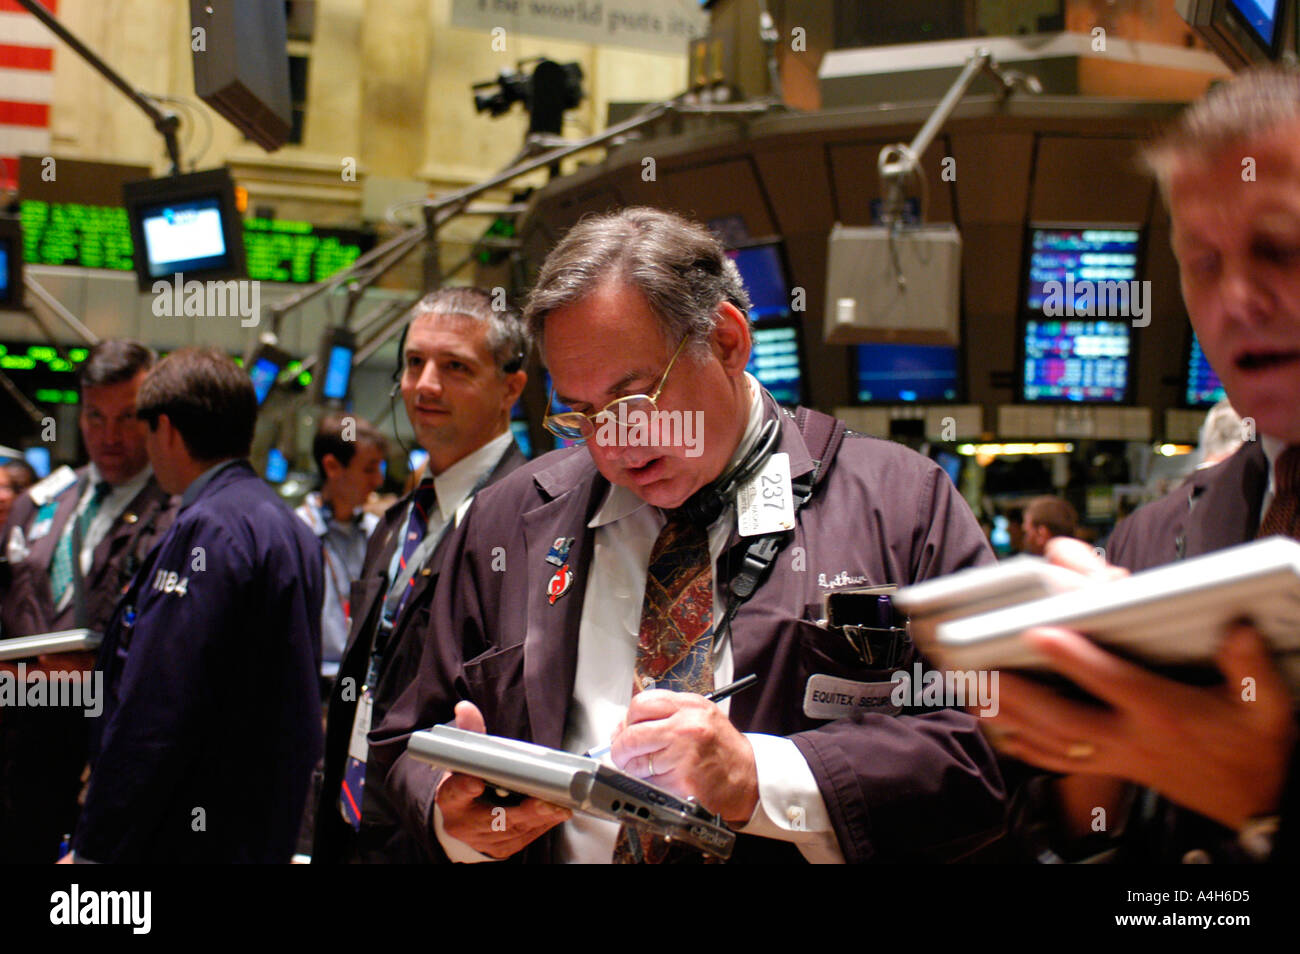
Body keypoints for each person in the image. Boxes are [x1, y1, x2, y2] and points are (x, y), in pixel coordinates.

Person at [371, 207, 1005, 864]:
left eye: (633, 401)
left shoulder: (901, 503)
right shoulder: (507, 519)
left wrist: (761, 777)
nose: (611, 446)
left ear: (727, 342)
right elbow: (403, 741)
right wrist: (451, 814)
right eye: (583, 414)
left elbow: (992, 749)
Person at [990, 67, 1300, 863]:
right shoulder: (1148, 544)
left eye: (1280, 248)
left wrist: (1270, 797)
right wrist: (1091, 753)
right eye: (1203, 260)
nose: (1237, 298)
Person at [69, 347, 323, 863]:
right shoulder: (288, 525)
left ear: (165, 429)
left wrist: (95, 847)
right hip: (258, 830)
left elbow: (157, 706)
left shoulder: (207, 528)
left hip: (183, 837)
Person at [312, 287, 529, 863]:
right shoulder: (396, 521)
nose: (425, 385)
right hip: (355, 826)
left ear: (511, 388)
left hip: (442, 841)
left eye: (455, 366)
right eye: (414, 363)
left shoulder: (532, 521)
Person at [0, 339, 175, 864]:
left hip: (107, 749)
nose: (109, 435)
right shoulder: (40, 502)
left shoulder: (177, 513)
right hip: (20, 744)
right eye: (95, 416)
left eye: (127, 417)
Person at [295, 412, 387, 688]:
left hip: (362, 685)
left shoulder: (377, 532)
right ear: (332, 467)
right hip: (313, 686)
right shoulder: (296, 533)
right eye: (369, 469)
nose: (379, 480)